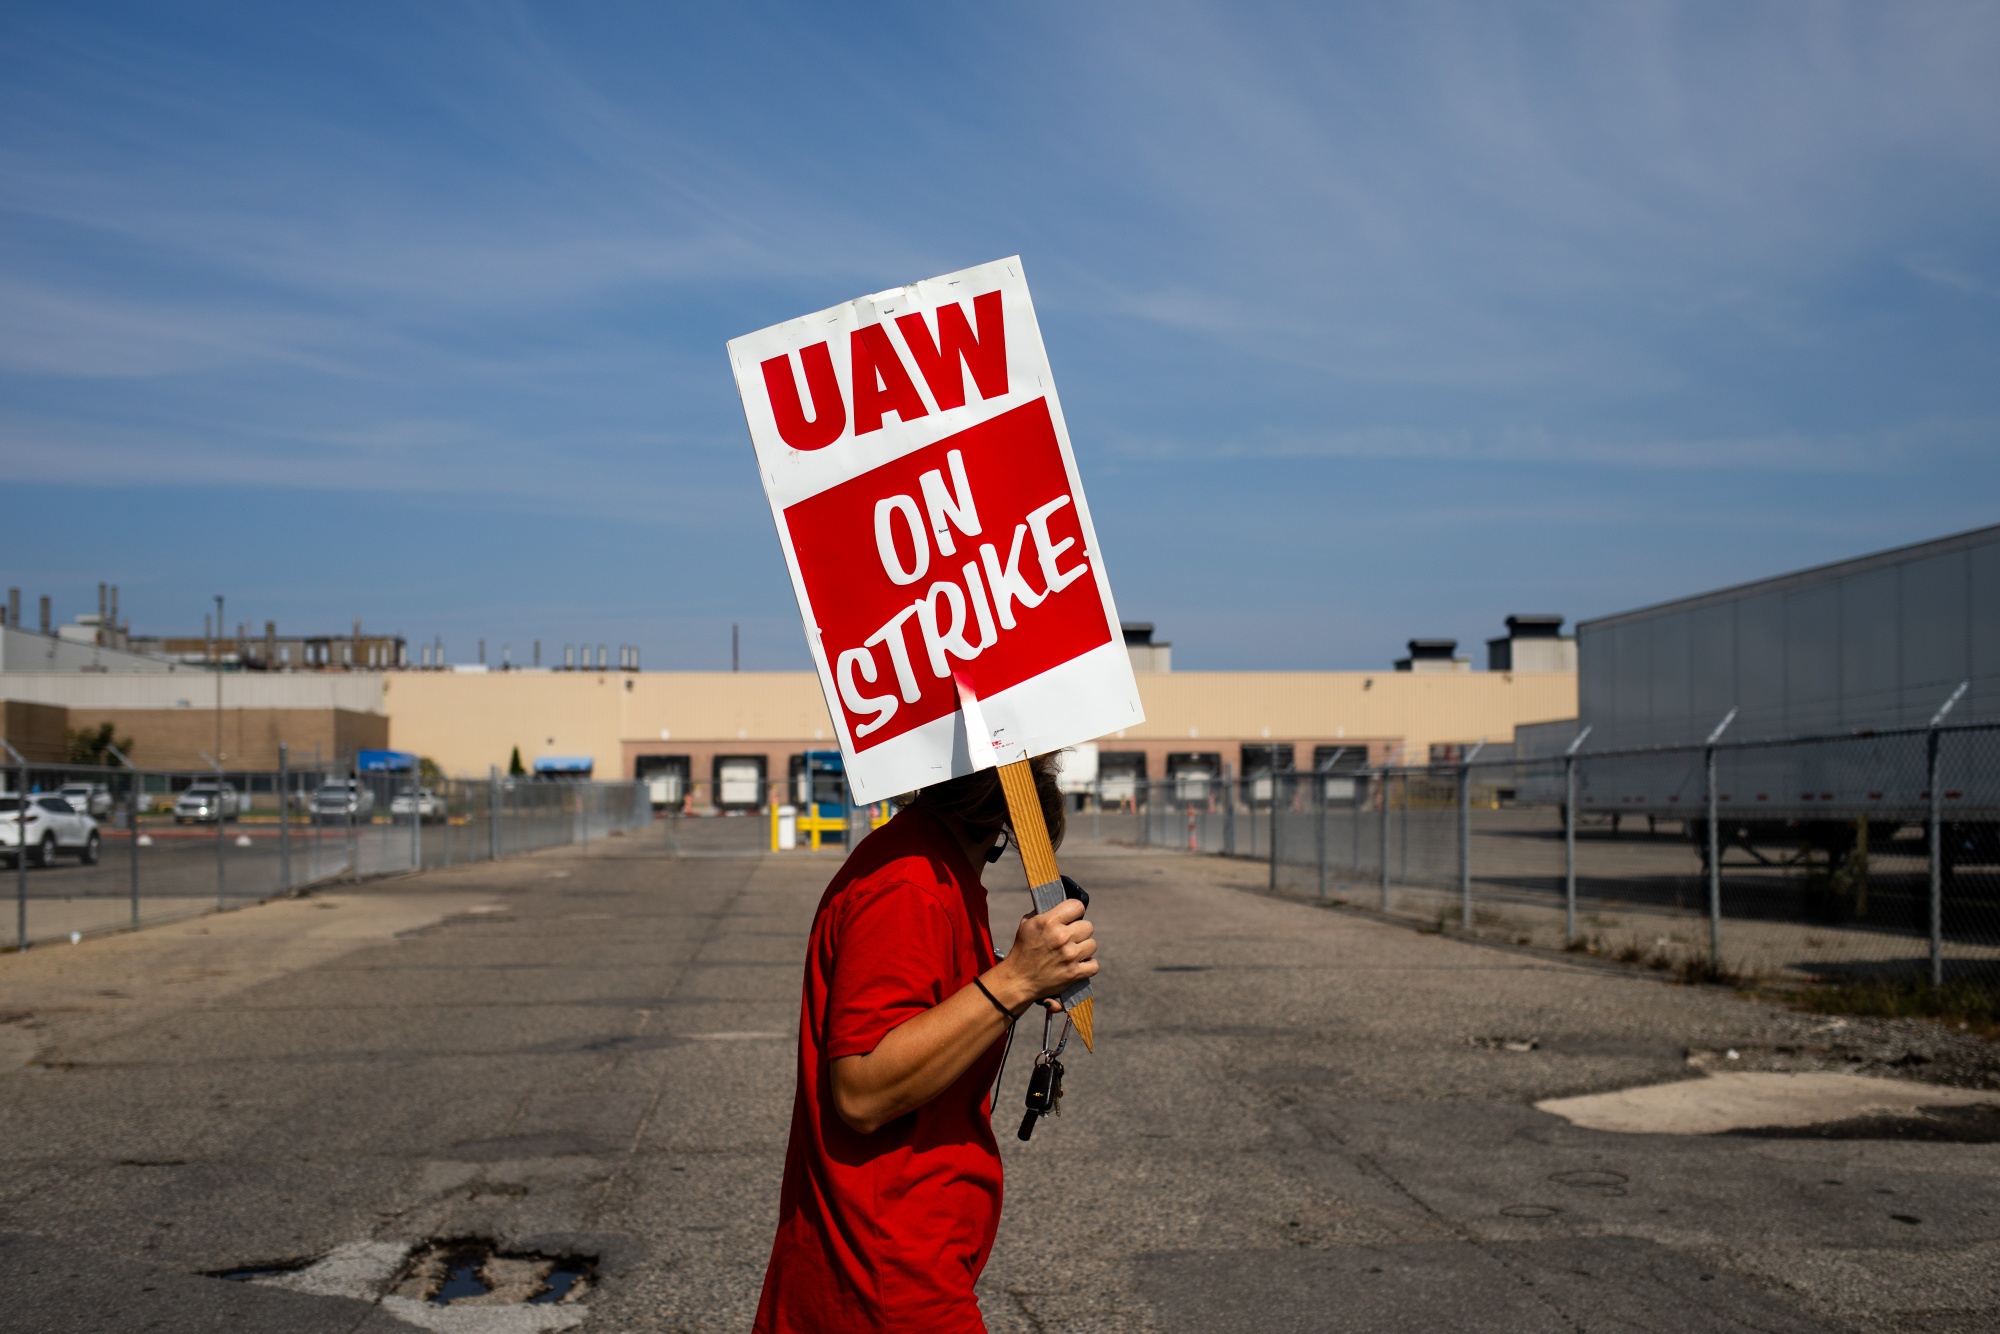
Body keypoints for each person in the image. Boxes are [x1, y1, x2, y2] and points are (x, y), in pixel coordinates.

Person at [753, 754, 1096, 1333]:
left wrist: (1009, 978)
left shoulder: (932, 866)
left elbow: (917, 1001)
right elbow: (862, 1088)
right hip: (886, 1277)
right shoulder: (909, 885)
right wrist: (1014, 979)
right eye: (1041, 762)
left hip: (900, 1261)